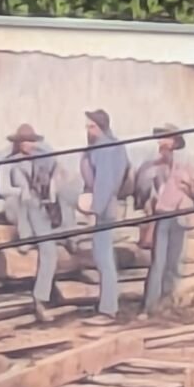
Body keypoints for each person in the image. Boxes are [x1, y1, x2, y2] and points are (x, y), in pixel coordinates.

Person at [0, 123, 71, 324]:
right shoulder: (8, 163)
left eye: (31, 141)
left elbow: (56, 177)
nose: (28, 145)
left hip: (38, 208)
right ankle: (26, 236)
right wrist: (22, 193)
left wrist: (51, 188)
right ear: (17, 143)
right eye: (24, 141)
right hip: (19, 208)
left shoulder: (42, 160)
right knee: (45, 244)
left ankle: (41, 298)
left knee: (49, 251)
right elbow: (3, 189)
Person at [140, 124, 194, 316]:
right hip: (162, 216)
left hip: (180, 217)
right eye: (160, 138)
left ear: (174, 141)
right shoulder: (153, 164)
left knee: (173, 263)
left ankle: (166, 304)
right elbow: (144, 188)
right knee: (158, 263)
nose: (160, 141)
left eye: (164, 138)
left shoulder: (186, 164)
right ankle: (150, 307)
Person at [79, 109, 131, 325]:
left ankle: (108, 309)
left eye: (91, 126)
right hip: (105, 207)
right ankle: (106, 304)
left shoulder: (105, 148)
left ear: (100, 127)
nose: (88, 130)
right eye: (87, 126)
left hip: (104, 209)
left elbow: (105, 182)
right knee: (103, 255)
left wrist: (94, 208)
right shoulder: (110, 147)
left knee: (103, 257)